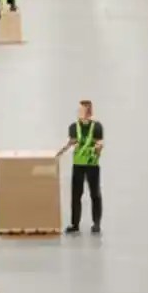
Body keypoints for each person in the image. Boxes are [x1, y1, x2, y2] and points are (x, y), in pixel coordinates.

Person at [56, 99, 104, 235]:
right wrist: (58, 153)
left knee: (95, 194)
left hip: (92, 165)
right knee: (76, 194)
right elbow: (70, 143)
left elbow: (99, 144)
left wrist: (98, 148)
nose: (79, 112)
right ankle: (75, 223)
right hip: (77, 165)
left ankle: (96, 223)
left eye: (82, 110)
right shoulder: (73, 127)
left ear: (89, 112)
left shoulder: (97, 127)